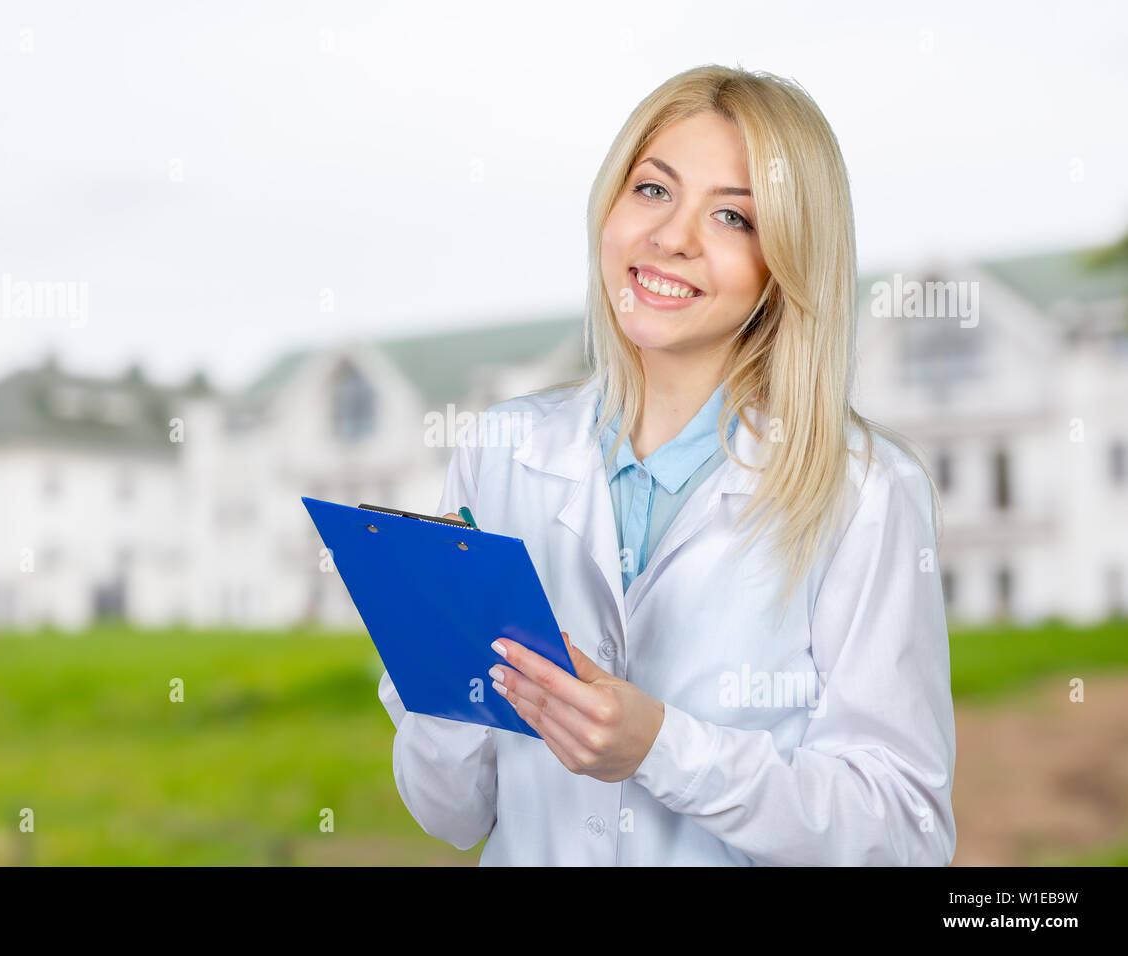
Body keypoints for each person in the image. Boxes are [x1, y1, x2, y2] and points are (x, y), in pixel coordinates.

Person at [378, 64, 956, 866]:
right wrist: (438, 674)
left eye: (731, 216)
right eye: (653, 191)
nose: (672, 237)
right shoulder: (502, 450)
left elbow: (903, 831)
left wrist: (659, 748)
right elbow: (453, 817)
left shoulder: (863, 492)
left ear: (784, 264)